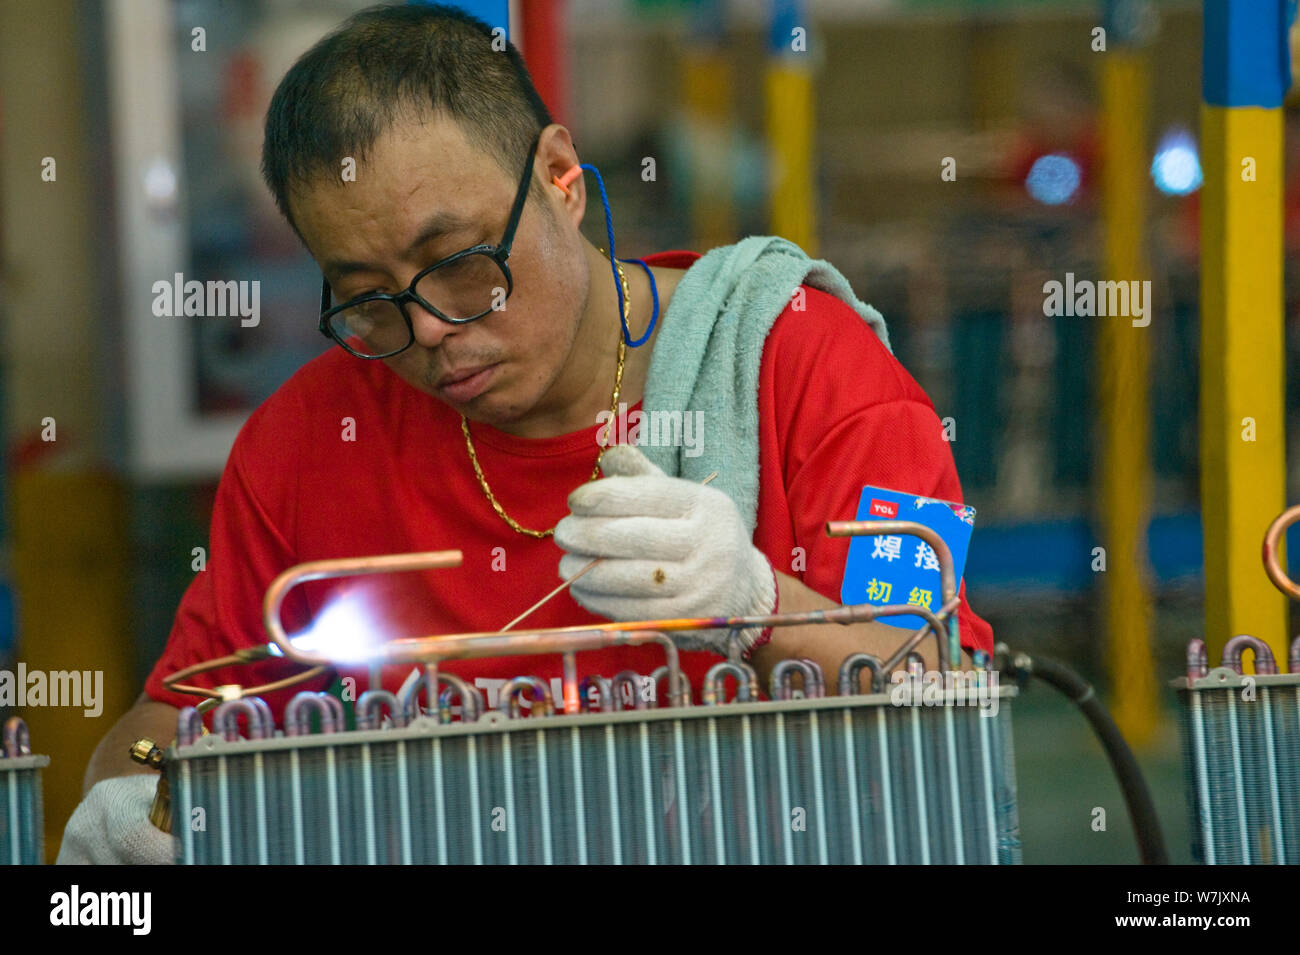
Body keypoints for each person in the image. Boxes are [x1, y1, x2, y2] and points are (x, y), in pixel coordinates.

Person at [59, 2, 992, 864]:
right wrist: (128, 784)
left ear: (560, 178)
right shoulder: (309, 441)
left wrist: (759, 607)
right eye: (368, 301)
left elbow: (949, 690)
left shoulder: (799, 364)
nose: (428, 330)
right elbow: (173, 716)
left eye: (460, 265)